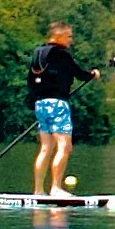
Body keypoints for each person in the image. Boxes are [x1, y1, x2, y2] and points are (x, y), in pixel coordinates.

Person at [27, 20, 80, 198]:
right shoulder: (61, 54)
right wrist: (93, 75)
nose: (70, 40)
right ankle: (56, 188)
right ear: (58, 35)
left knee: (45, 148)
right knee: (64, 146)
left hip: (40, 104)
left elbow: (31, 80)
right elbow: (78, 73)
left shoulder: (37, 53)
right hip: (58, 104)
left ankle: (38, 190)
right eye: (69, 36)